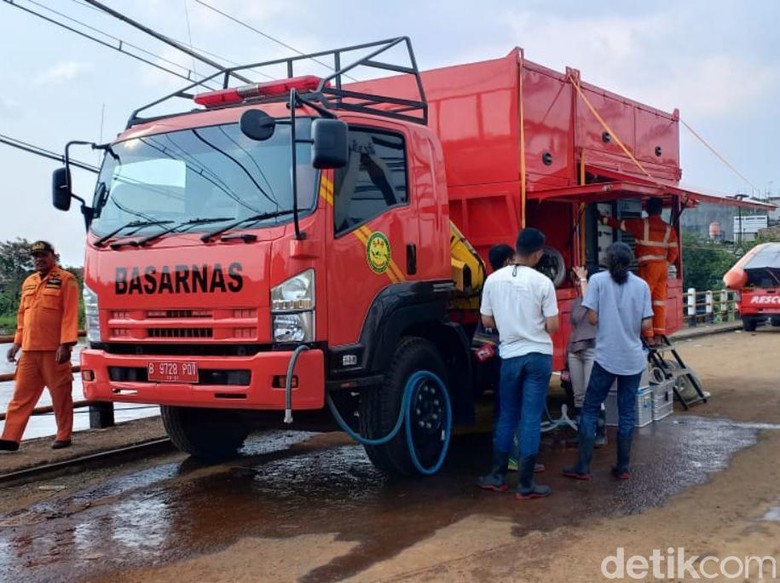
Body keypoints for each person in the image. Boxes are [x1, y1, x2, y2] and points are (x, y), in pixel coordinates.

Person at [477, 228, 559, 500]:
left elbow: (487, 321)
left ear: (516, 248)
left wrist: (509, 324)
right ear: (537, 254)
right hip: (538, 356)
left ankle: (498, 477)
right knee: (531, 417)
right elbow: (553, 326)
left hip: (510, 356)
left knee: (507, 415)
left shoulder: (493, 280)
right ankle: (525, 484)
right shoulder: (543, 282)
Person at [562, 242, 653, 481]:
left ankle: (583, 467)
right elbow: (647, 324)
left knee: (590, 408)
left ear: (608, 261)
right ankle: (622, 467)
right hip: (633, 359)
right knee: (626, 413)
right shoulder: (642, 285)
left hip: (606, 358)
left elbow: (592, 319)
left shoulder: (598, 281)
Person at [0, 241, 80, 451]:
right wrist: (17, 343)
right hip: (29, 351)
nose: (39, 259)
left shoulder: (66, 279)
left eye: (43, 255)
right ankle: (10, 438)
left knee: (60, 395)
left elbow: (70, 314)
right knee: (20, 396)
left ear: (53, 256)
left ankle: (63, 435)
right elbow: (22, 317)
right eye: (35, 256)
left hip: (54, 351)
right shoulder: (29, 282)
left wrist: (66, 344)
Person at [599, 197, 678, 346]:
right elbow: (674, 251)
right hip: (662, 267)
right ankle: (659, 335)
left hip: (648, 267)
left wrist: (603, 219)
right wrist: (665, 263)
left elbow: (621, 224)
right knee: (659, 301)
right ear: (661, 210)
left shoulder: (642, 225)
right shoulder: (669, 229)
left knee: (644, 300)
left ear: (646, 209)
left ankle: (648, 336)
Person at [565, 265, 606, 447]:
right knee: (579, 394)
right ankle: (583, 433)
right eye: (575, 279)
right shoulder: (576, 302)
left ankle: (600, 433)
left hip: (591, 347)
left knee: (593, 392)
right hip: (575, 349)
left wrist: (584, 279)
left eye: (579, 279)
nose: (577, 282)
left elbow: (590, 302)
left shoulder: (598, 300)